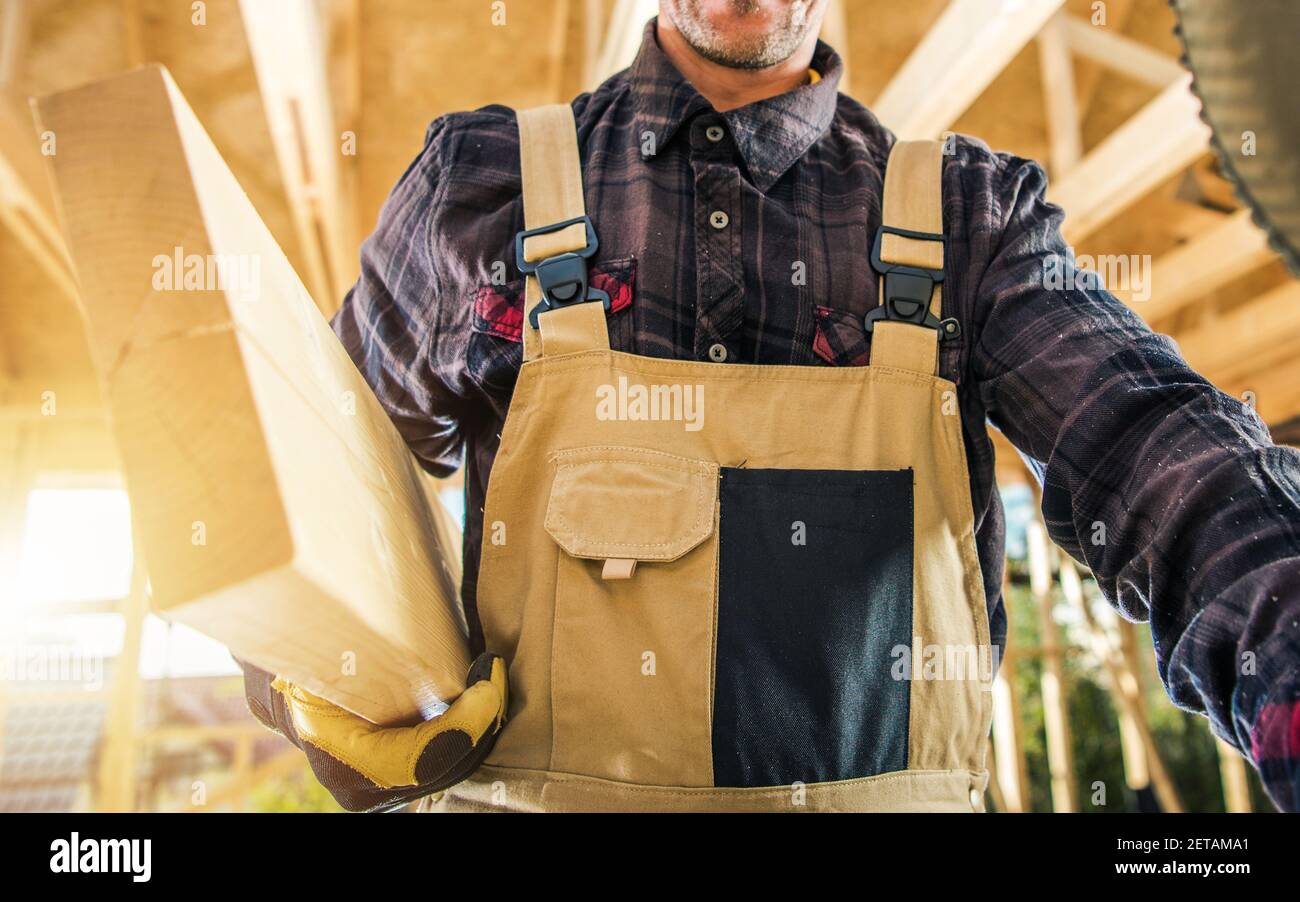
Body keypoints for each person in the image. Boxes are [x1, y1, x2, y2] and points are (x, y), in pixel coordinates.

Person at [243, 0, 1300, 812]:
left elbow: (1157, 450)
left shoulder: (966, 221)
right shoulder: (483, 188)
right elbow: (322, 494)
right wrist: (321, 673)